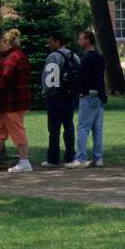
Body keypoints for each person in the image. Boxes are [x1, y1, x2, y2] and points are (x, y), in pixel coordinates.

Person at [0, 29, 33, 173]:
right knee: (1, 128)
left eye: (2, 43)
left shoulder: (11, 58)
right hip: (11, 100)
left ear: (7, 43)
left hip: (12, 100)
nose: (0, 46)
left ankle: (24, 161)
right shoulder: (20, 56)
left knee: (17, 130)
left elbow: (4, 79)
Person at [67, 30, 106, 168]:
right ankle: (98, 158)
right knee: (97, 129)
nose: (79, 41)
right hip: (99, 96)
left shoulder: (85, 59)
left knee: (83, 128)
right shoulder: (100, 57)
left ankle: (81, 158)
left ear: (88, 40)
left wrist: (79, 91)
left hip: (88, 96)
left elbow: (83, 79)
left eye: (81, 39)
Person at [40, 31, 79, 167]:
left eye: (50, 42)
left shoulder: (53, 56)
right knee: (69, 127)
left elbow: (50, 80)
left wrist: (46, 92)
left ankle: (53, 159)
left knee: (54, 130)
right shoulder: (74, 56)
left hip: (55, 97)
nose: (48, 45)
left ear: (57, 42)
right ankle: (70, 157)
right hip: (69, 97)